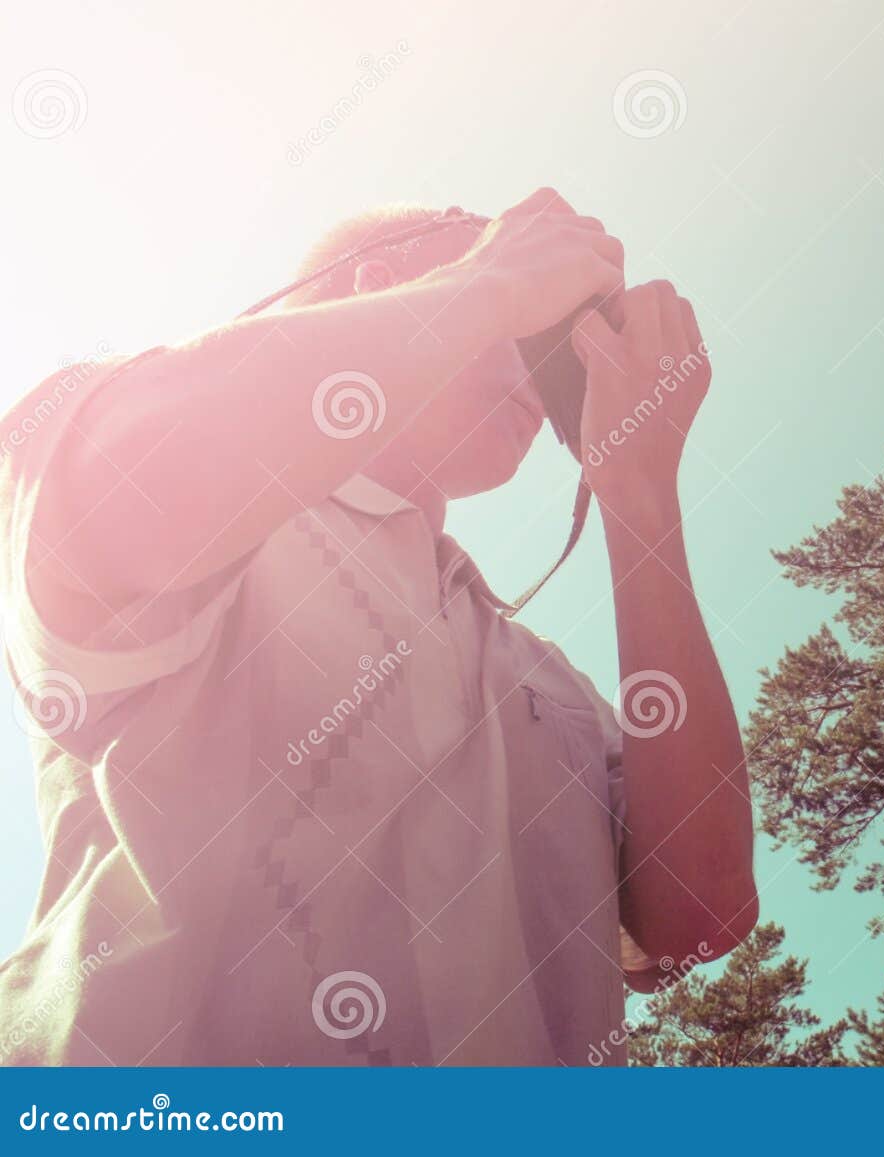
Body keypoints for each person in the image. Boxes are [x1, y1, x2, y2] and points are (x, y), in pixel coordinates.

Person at [0, 188, 757, 1065]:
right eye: (527, 321)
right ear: (376, 285)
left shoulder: (555, 686)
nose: (545, 361)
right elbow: (118, 482)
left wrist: (641, 494)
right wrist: (487, 284)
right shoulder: (226, 521)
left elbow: (699, 917)